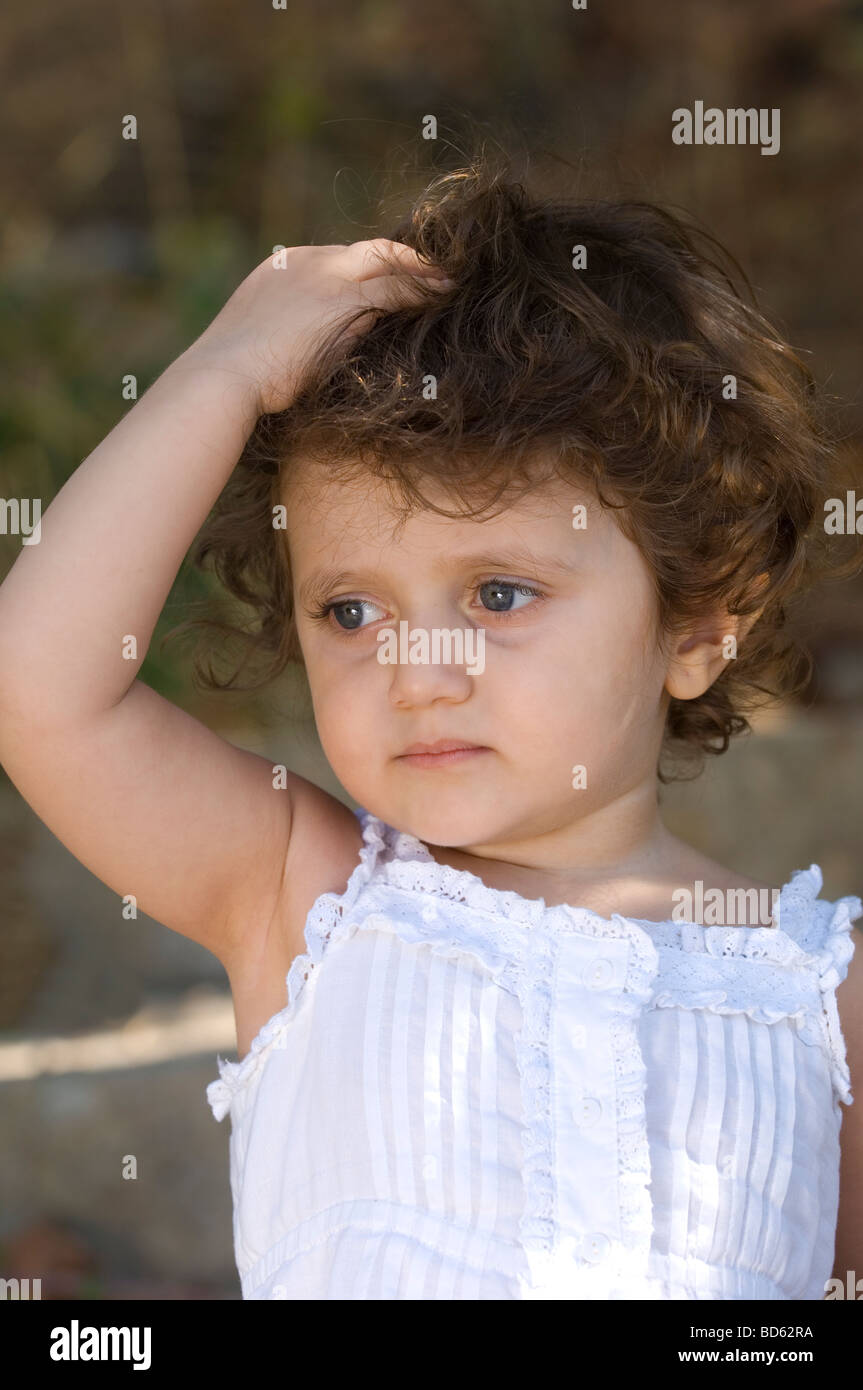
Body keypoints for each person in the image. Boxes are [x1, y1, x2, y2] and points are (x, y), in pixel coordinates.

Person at [0, 156, 861, 1300]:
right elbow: (38, 686)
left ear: (697, 627)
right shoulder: (306, 896)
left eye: (499, 594)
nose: (414, 669)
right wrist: (227, 370)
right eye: (351, 610)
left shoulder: (818, 996)